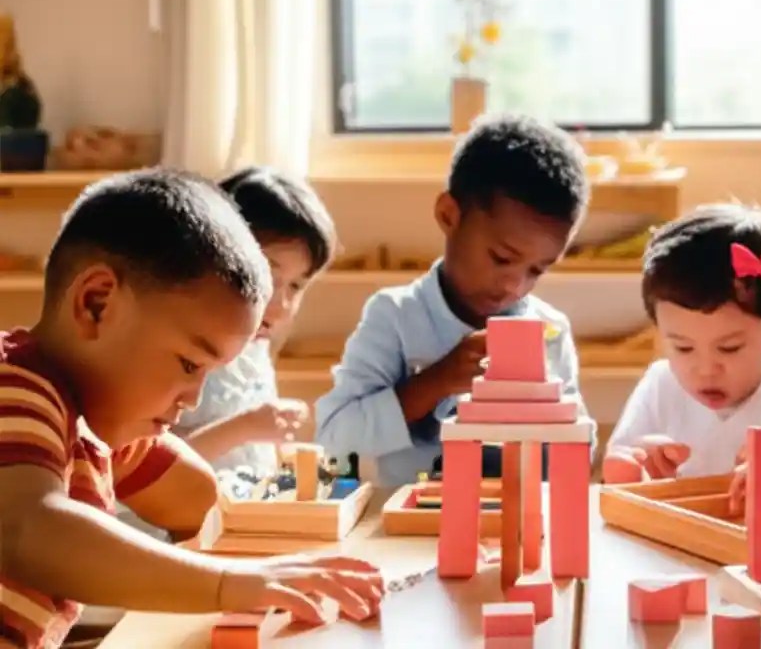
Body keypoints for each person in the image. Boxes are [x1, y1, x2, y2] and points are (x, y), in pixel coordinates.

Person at [0, 168, 382, 648]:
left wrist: (275, 563)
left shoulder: (93, 425)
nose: (195, 397)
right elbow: (27, 532)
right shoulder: (17, 389)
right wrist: (229, 583)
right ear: (96, 304)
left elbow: (194, 500)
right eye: (188, 363)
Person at [315, 114, 595, 486]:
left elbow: (578, 457)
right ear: (449, 215)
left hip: (512, 527)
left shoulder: (550, 331)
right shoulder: (395, 316)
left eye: (537, 270)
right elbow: (335, 439)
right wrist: (436, 381)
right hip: (407, 530)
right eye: (501, 258)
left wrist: (546, 407)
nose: (515, 285)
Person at [604, 203, 761, 513]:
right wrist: (639, 460)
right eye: (683, 348)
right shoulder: (661, 384)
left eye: (729, 348)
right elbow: (617, 464)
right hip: (680, 545)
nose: (706, 369)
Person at [174, 166, 337, 477]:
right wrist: (244, 427)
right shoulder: (175, 350)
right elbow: (142, 470)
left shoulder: (256, 350)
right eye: (268, 276)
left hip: (241, 515)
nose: (282, 303)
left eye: (296, 286)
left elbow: (258, 451)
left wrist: (291, 458)